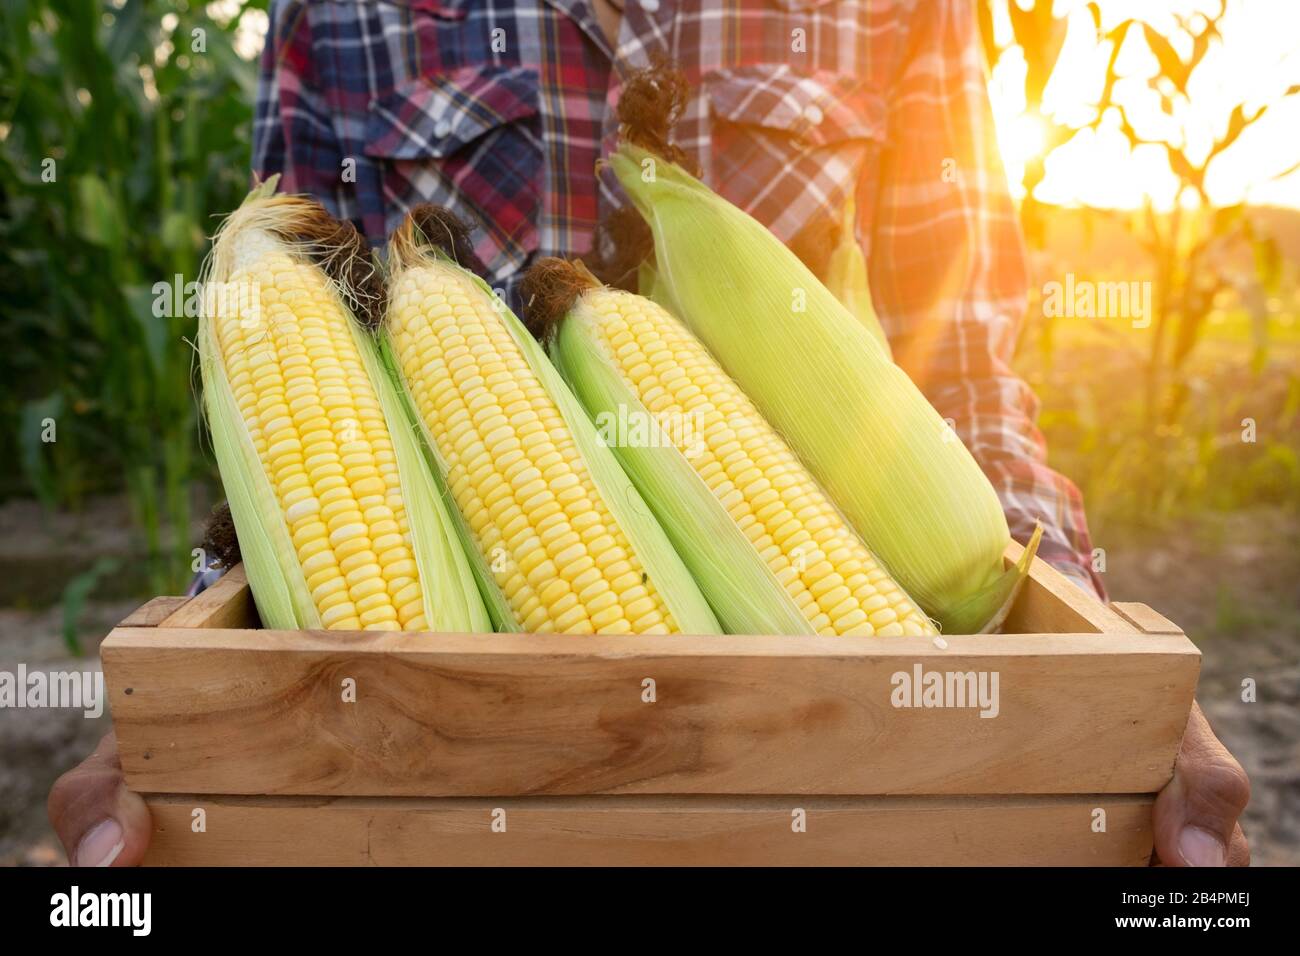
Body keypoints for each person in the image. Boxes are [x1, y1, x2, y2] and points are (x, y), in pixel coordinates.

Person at [48, 0, 1248, 865]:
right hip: (454, 788)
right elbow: (295, 412)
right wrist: (190, 701)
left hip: (850, 780)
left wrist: (1112, 675)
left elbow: (963, 385)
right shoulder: (341, 16)